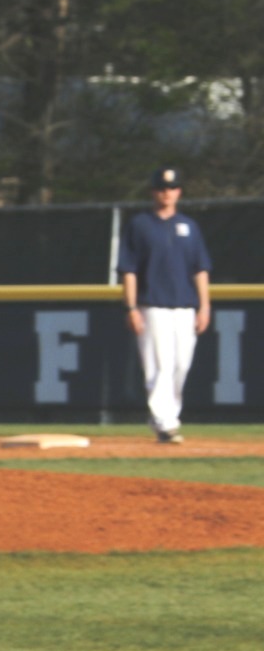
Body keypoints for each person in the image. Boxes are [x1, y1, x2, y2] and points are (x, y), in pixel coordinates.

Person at [120, 166, 213, 444]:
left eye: (172, 188)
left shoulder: (189, 226)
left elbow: (200, 269)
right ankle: (165, 422)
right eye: (161, 188)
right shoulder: (140, 225)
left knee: (181, 365)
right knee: (159, 365)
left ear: (179, 192)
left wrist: (204, 306)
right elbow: (128, 269)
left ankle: (167, 416)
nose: (167, 193)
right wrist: (131, 307)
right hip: (153, 305)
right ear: (153, 191)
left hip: (185, 306)